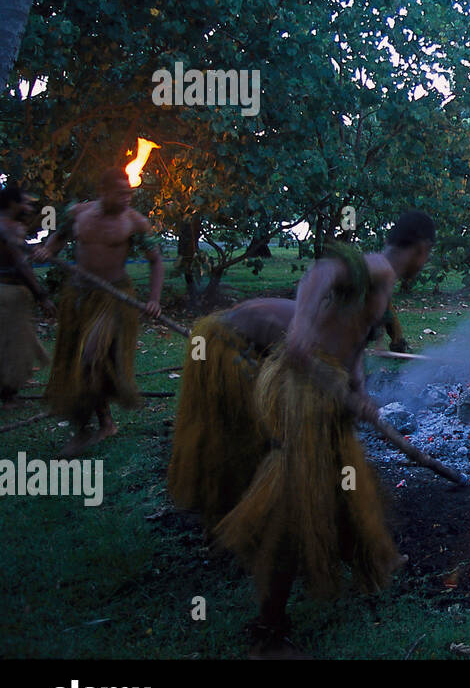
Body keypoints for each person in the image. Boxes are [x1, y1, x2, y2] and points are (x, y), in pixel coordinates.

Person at [214, 213, 435, 657]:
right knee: (296, 509)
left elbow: (353, 342)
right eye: (427, 256)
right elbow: (321, 271)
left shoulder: (382, 282)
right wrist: (300, 331)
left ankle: (375, 561)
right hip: (306, 396)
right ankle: (267, 632)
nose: (425, 264)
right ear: (420, 249)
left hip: (331, 394)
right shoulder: (372, 266)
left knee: (349, 480)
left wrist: (360, 391)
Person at [35, 168, 164, 455]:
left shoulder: (135, 222)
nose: (128, 198)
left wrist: (154, 299)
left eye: (130, 192)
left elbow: (156, 261)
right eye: (121, 193)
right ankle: (102, 423)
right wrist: (48, 249)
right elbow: (59, 237)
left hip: (113, 299)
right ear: (103, 191)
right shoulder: (77, 214)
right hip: (78, 296)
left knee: (91, 357)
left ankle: (85, 430)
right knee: (79, 361)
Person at [167, 298, 295, 530]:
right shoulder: (320, 332)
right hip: (223, 347)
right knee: (240, 426)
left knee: (217, 422)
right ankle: (225, 502)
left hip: (206, 336)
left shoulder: (318, 317)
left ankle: (216, 497)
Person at [0, 184, 54, 402]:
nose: (29, 209)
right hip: (9, 293)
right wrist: (42, 296)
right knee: (14, 346)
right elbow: (22, 266)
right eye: (25, 203)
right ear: (13, 204)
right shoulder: (12, 227)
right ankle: (8, 396)